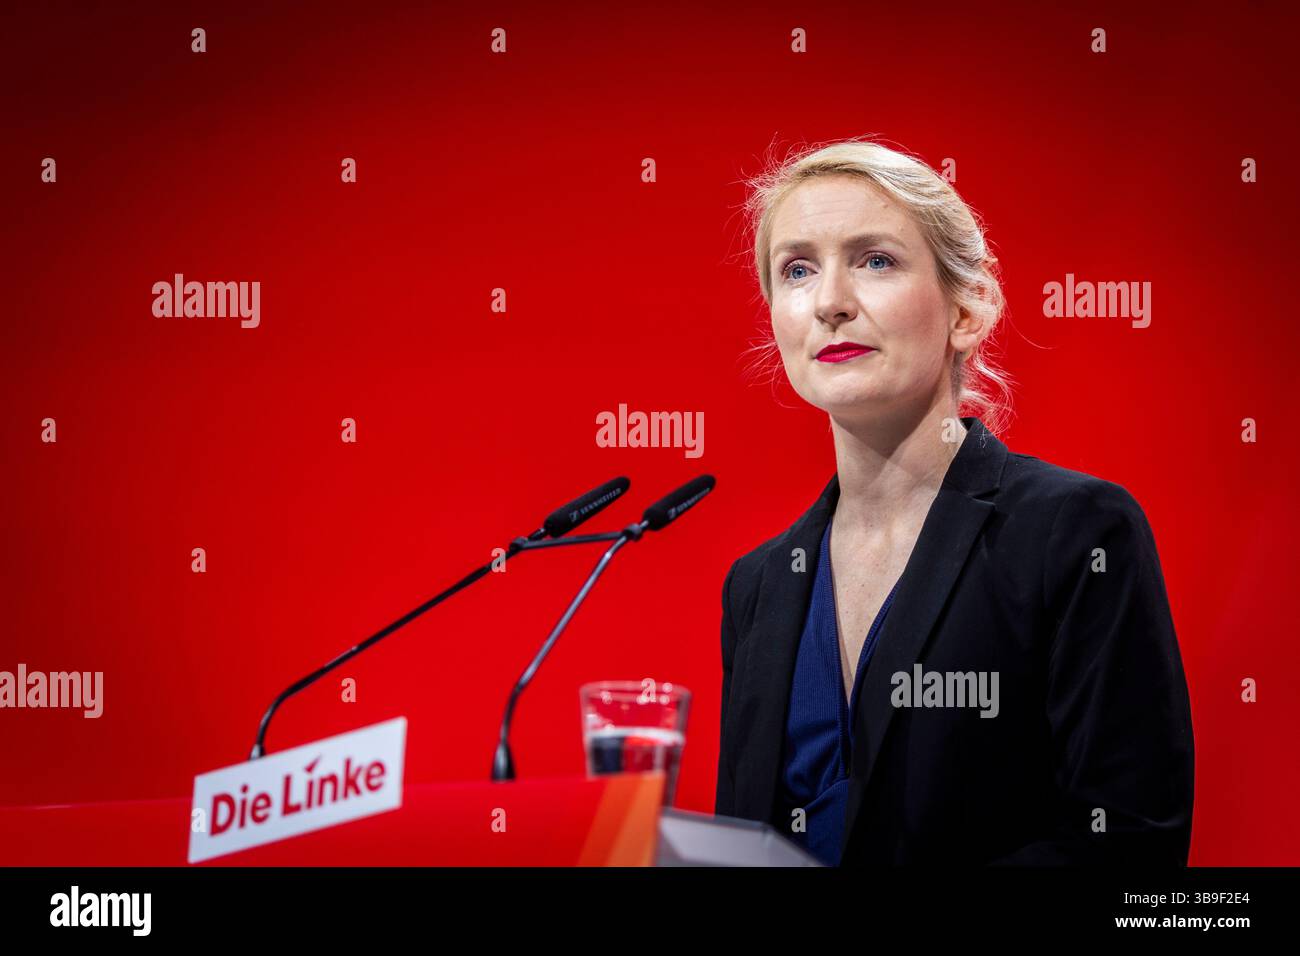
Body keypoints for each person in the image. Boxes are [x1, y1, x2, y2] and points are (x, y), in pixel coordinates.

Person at [715, 138, 1194, 866]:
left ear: (968, 309)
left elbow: (1129, 845)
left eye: (876, 260)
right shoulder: (756, 584)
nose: (832, 302)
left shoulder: (1075, 533)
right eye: (798, 270)